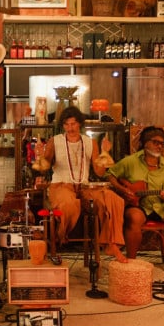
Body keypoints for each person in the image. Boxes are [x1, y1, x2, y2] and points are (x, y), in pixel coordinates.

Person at [35, 106, 127, 262]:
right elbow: (44, 168)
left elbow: (98, 172)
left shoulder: (90, 142)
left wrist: (105, 153)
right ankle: (59, 235)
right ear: (63, 126)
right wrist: (40, 155)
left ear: (80, 124)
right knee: (70, 204)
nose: (70, 128)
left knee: (114, 199)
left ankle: (111, 243)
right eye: (66, 124)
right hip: (61, 186)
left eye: (73, 124)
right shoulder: (54, 141)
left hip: (84, 187)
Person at [107, 126, 164, 259]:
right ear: (145, 143)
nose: (160, 146)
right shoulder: (130, 161)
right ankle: (132, 261)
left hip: (161, 207)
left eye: (162, 144)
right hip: (138, 206)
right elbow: (109, 175)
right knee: (134, 218)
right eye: (155, 142)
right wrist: (123, 190)